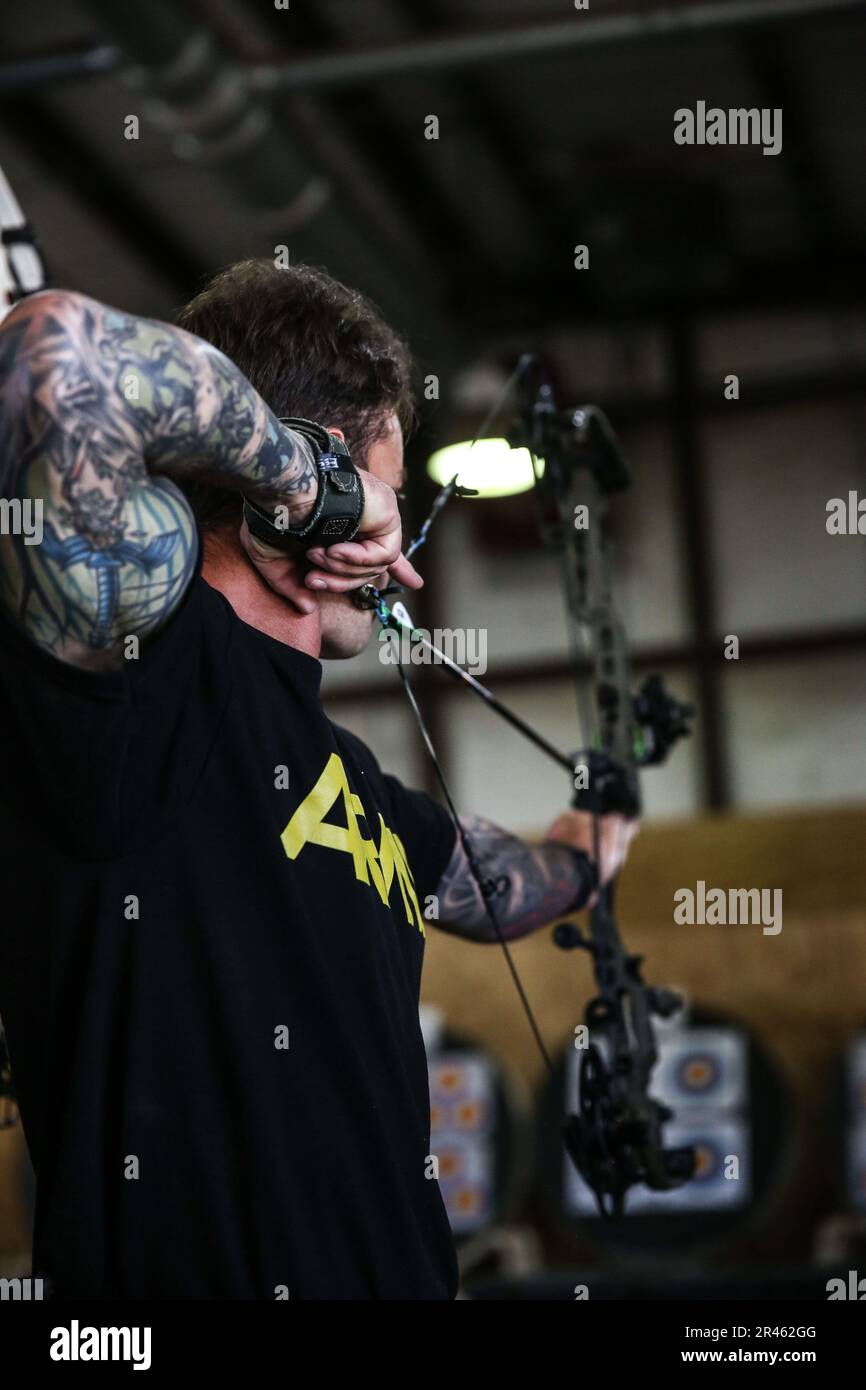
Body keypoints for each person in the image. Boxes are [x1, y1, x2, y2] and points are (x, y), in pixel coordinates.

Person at [0, 259, 636, 1299]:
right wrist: (317, 487)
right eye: (388, 490)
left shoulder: (348, 785)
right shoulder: (148, 675)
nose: (401, 546)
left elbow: (480, 881)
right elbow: (47, 350)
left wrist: (585, 847)